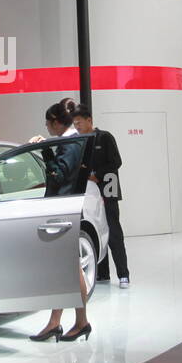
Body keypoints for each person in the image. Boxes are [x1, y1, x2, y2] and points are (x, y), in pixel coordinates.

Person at [30, 102, 92, 343]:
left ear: (56, 122)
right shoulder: (72, 141)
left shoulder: (70, 143)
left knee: (68, 268)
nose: (46, 127)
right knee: (66, 268)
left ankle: (79, 321)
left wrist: (45, 150)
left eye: (47, 124)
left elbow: (57, 175)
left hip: (63, 210)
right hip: (66, 208)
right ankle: (58, 322)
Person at [72, 105, 130, 287]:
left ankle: (123, 274)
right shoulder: (78, 140)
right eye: (75, 124)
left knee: (113, 232)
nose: (77, 126)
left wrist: (97, 176)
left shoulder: (105, 137)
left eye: (79, 123)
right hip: (89, 194)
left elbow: (116, 162)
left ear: (89, 120)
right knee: (97, 230)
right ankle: (102, 273)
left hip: (108, 190)